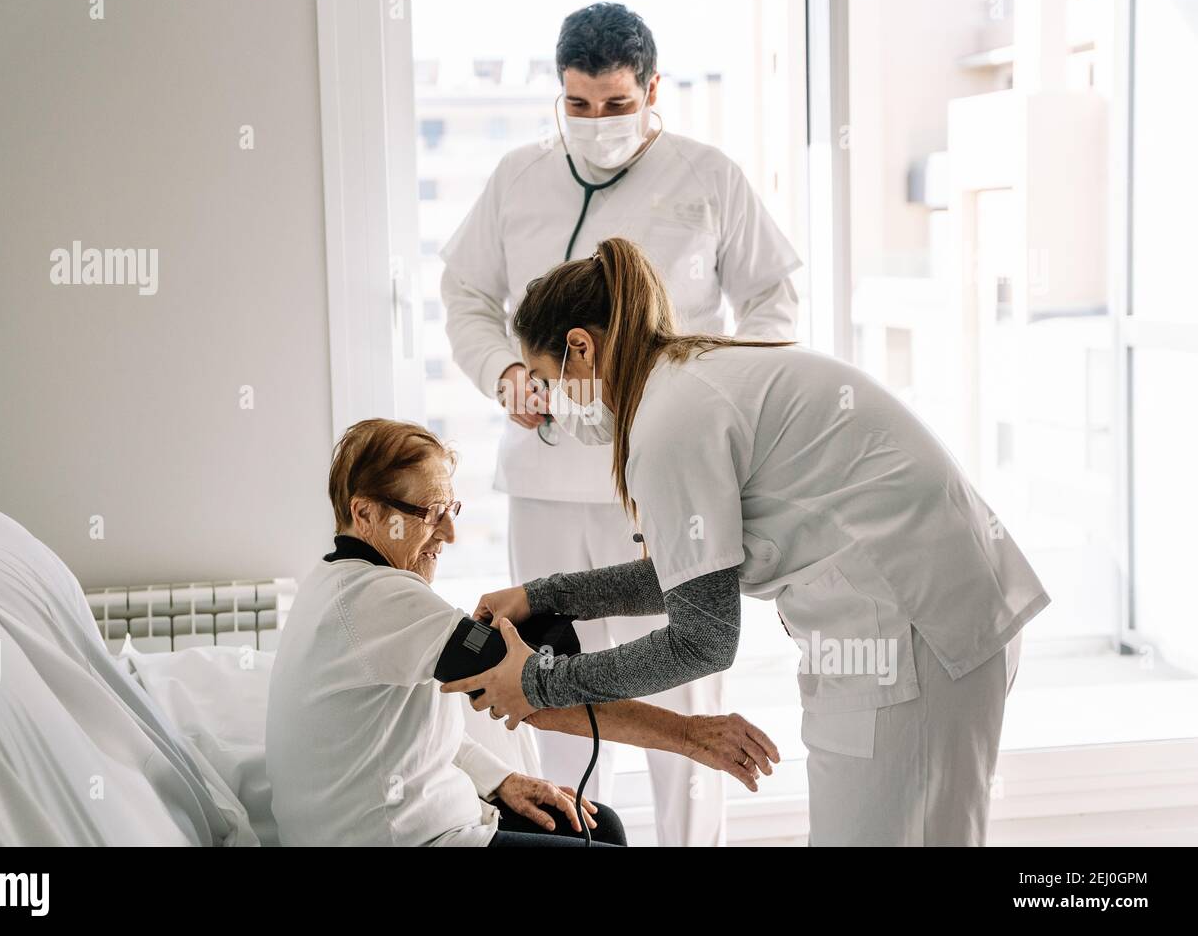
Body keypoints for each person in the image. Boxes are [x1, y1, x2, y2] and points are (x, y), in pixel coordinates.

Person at [440, 238, 1050, 846]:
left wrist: (540, 682)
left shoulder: (668, 421)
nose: (549, 407)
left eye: (546, 382)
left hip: (917, 630)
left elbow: (703, 638)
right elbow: (693, 568)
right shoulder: (685, 380)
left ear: (580, 346)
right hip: (910, 622)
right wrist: (547, 595)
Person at [440, 1, 802, 847]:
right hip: (548, 480)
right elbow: (463, 294)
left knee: (680, 688)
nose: (596, 124)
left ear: (651, 91)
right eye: (578, 106)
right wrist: (505, 371)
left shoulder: (708, 176)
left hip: (668, 478)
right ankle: (571, 842)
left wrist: (710, 399)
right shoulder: (516, 180)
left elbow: (773, 299)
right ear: (556, 97)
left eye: (614, 105)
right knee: (550, 686)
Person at [265, 418, 779, 847]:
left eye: (452, 510)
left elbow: (415, 738)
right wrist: (690, 736)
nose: (449, 534)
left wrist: (502, 780)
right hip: (396, 838)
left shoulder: (341, 582)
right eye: (431, 514)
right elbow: (532, 695)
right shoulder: (377, 598)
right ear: (365, 513)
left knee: (600, 824)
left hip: (413, 820)